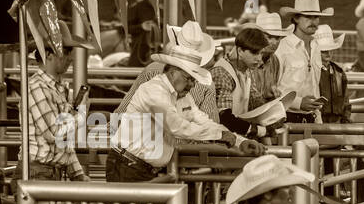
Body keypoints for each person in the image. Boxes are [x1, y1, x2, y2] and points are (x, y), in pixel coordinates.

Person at [108, 39, 264, 183]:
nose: (191, 85)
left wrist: (239, 141)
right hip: (128, 165)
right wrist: (221, 135)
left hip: (136, 165)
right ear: (173, 72)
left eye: (193, 80)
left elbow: (203, 120)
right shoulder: (154, 91)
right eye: (188, 78)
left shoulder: (180, 96)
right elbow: (176, 126)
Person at [24, 24, 96, 182]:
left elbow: (63, 140)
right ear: (48, 54)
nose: (71, 57)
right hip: (39, 171)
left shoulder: (56, 87)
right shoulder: (37, 87)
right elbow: (55, 134)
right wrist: (82, 113)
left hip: (45, 171)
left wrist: (77, 174)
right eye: (65, 51)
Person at [210, 26, 281, 140]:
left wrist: (274, 111)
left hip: (237, 139)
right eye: (254, 53)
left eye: (261, 53)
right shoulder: (222, 73)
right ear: (239, 51)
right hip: (222, 142)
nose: (259, 59)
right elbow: (224, 118)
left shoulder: (247, 70)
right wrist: (260, 130)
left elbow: (254, 101)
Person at [274, 0, 333, 123]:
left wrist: (317, 115)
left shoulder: (316, 47)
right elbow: (273, 88)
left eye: (316, 17)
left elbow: (314, 86)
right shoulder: (282, 47)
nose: (313, 21)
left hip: (312, 117)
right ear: (296, 18)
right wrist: (298, 103)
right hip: (285, 117)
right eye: (308, 16)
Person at [315, 25, 352, 124]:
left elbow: (345, 100)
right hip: (318, 119)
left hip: (337, 120)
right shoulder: (311, 70)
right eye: (324, 51)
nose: (328, 53)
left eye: (330, 50)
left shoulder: (339, 72)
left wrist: (346, 118)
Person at [126, 0, 161, 67]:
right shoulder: (137, 8)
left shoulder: (163, 9)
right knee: (133, 68)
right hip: (140, 47)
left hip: (159, 47)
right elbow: (127, 28)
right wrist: (141, 27)